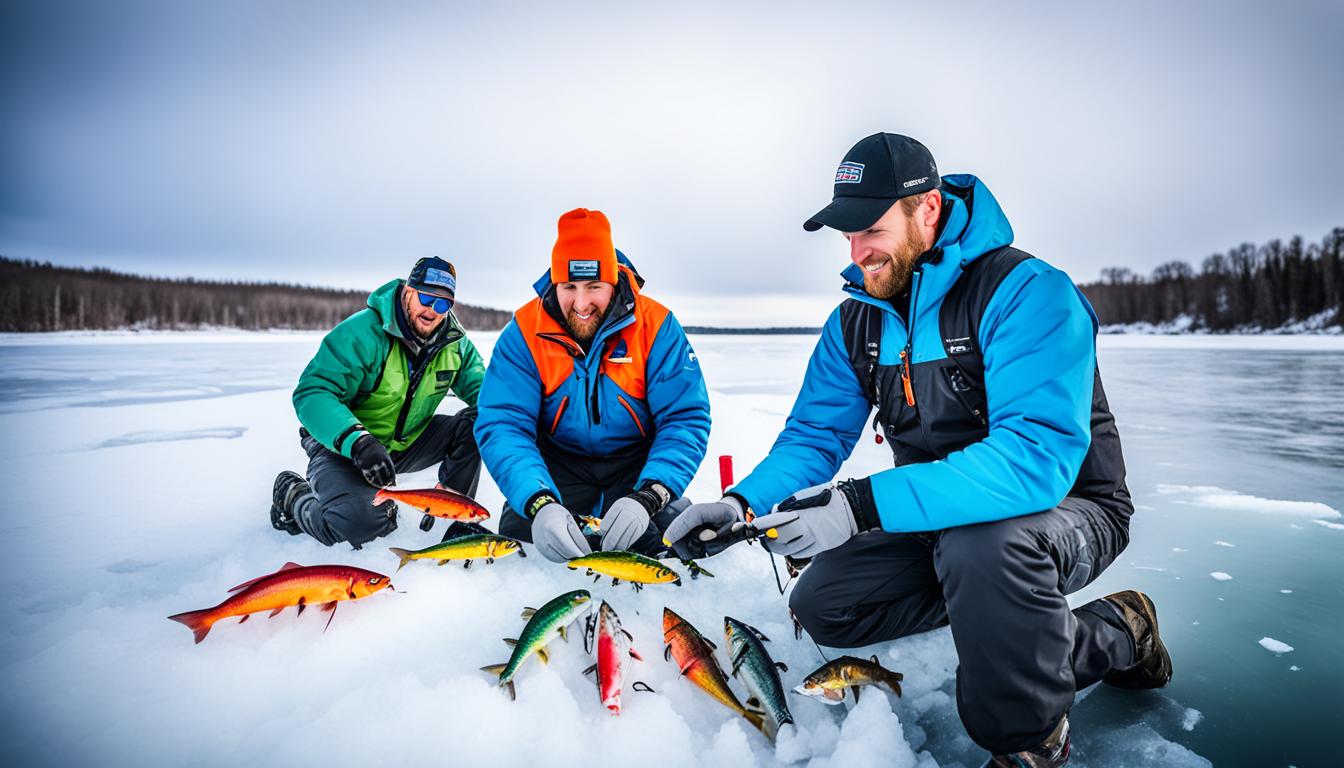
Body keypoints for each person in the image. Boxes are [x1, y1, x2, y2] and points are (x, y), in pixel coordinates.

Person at [666, 134, 1170, 766]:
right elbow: (815, 437)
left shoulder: (1027, 292)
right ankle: (1009, 628)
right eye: (847, 235)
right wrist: (742, 506)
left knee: (981, 548)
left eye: (871, 229)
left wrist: (859, 507)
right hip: (942, 519)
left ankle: (1077, 683)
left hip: (1069, 510)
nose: (858, 252)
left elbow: (1033, 461)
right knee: (825, 605)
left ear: (927, 209)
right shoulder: (857, 319)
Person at [475, 208, 710, 563]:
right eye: (569, 287)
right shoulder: (523, 332)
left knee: (675, 547)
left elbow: (685, 418)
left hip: (638, 467)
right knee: (520, 549)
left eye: (594, 287)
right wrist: (537, 501)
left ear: (613, 280)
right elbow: (503, 423)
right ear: (555, 283)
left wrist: (651, 494)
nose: (581, 304)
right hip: (556, 467)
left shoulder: (657, 326)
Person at [270, 257, 485, 548]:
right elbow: (313, 392)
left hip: (404, 446)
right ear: (409, 291)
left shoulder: (455, 345)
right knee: (358, 526)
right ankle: (294, 497)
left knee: (482, 419)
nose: (432, 311)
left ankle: (452, 506)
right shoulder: (362, 333)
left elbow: (488, 396)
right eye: (425, 298)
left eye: (443, 304)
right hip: (342, 448)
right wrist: (358, 441)